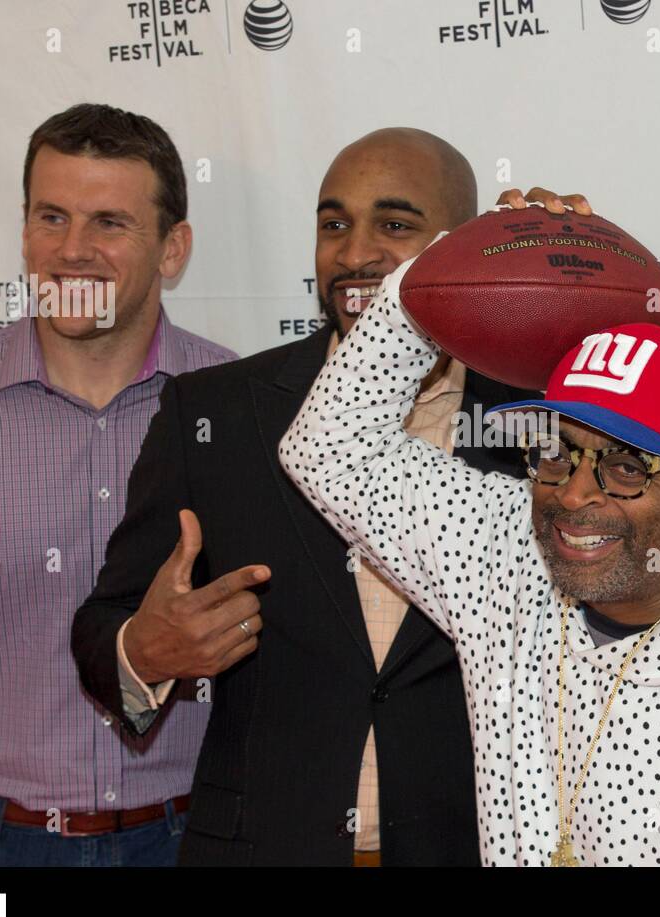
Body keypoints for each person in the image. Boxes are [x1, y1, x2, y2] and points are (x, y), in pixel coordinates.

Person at [279, 248, 660, 866]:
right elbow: (331, 452)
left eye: (627, 467)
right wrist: (452, 267)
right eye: (557, 451)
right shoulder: (511, 556)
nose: (572, 493)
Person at [72, 130, 550, 866]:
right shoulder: (217, 412)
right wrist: (145, 650)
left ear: (460, 245)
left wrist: (579, 282)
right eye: (334, 225)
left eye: (395, 226)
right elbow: (106, 623)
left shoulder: (547, 421)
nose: (354, 254)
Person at [0, 103, 236, 866]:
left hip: (194, 840)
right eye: (50, 217)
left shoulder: (244, 407)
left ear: (173, 248)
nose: (73, 251)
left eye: (109, 224)